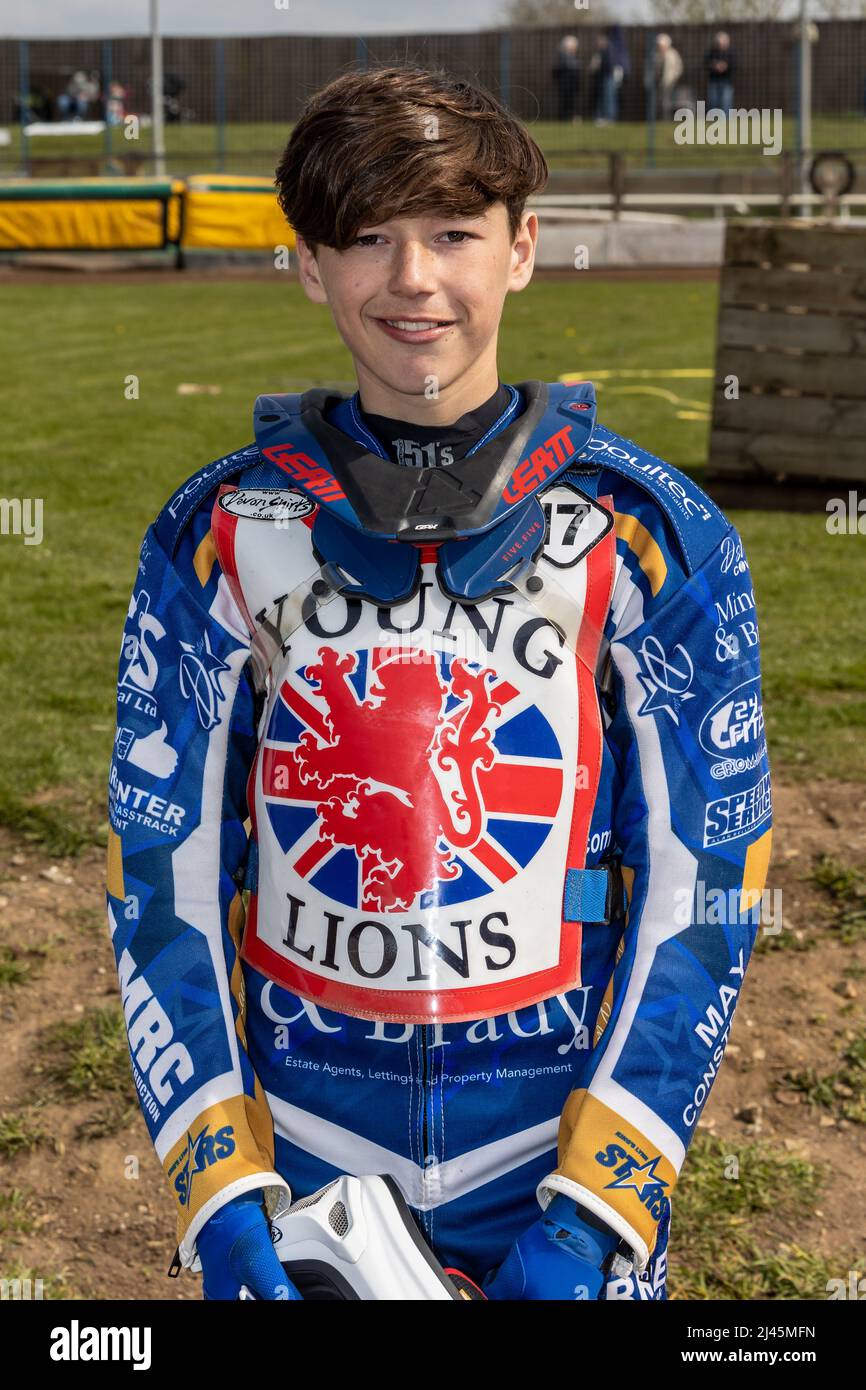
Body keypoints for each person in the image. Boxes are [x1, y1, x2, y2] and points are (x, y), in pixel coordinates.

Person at [105, 64, 773, 1301]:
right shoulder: (221, 533)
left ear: (523, 249)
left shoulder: (643, 534)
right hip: (303, 1169)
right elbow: (164, 873)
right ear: (309, 265)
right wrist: (220, 1187)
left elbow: (707, 883)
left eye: (453, 234)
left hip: (547, 1166)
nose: (413, 280)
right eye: (366, 238)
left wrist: (595, 1211)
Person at [552, 34, 582, 123]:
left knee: (572, 102)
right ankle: (564, 119)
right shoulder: (562, 57)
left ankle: (572, 118)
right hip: (565, 85)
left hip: (573, 85)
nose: (574, 48)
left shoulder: (573, 58)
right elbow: (556, 71)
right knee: (564, 103)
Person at [654, 33, 684, 121]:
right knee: (657, 102)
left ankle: (666, 120)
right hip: (656, 83)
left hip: (669, 83)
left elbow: (679, 67)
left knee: (667, 102)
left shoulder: (673, 54)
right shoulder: (654, 54)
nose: (661, 47)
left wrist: (673, 77)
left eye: (662, 45)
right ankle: (657, 120)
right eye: (659, 45)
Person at [706, 30, 736, 113]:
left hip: (727, 81)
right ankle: (713, 120)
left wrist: (725, 66)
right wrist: (714, 66)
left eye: (723, 43)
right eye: (719, 43)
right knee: (713, 102)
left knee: (726, 103)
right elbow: (706, 64)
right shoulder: (711, 52)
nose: (721, 45)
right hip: (713, 81)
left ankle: (726, 122)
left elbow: (735, 65)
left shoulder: (731, 53)